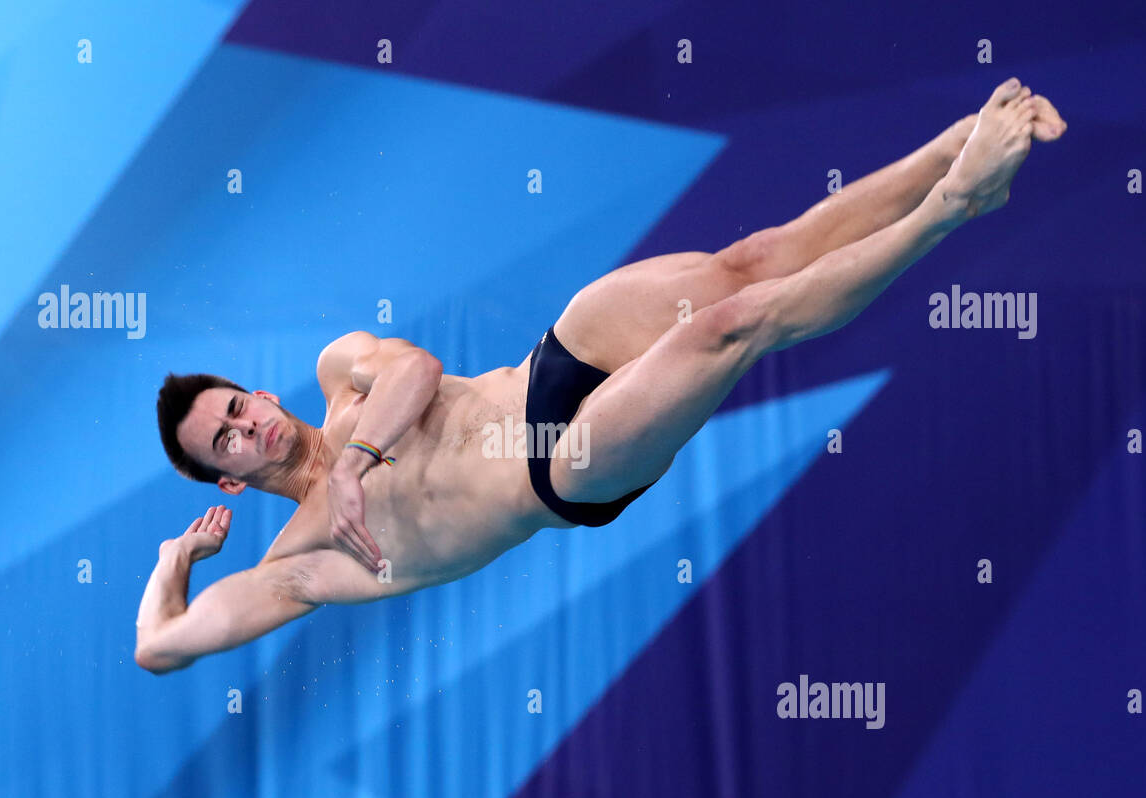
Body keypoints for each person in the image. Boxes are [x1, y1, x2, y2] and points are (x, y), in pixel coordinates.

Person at [136, 79, 1065, 674]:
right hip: (560, 470)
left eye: (232, 407)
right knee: (734, 327)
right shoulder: (300, 563)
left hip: (548, 362)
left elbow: (416, 368)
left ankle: (946, 149)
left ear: (254, 395)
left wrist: (355, 462)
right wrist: (172, 565)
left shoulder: (342, 373)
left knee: (750, 260)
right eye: (223, 442)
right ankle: (957, 201)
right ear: (230, 477)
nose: (243, 428)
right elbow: (160, 649)